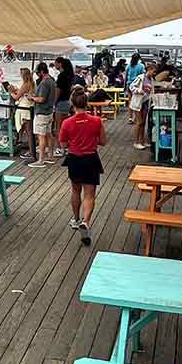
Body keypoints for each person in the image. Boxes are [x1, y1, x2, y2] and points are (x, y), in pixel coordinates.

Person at [59, 87, 107, 246]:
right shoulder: (97, 121)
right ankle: (86, 221)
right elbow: (103, 142)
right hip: (91, 159)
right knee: (89, 195)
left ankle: (76, 219)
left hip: (74, 159)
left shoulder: (67, 123)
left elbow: (63, 144)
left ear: (72, 103)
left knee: (75, 190)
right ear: (86, 103)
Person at [29, 62, 56, 169]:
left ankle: (41, 160)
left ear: (41, 72)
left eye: (37, 72)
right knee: (49, 134)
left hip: (42, 112)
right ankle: (50, 156)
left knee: (41, 136)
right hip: (49, 111)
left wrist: (32, 98)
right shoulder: (52, 81)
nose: (37, 74)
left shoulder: (44, 83)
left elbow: (41, 99)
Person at [8, 68, 36, 161]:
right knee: (29, 131)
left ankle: (31, 152)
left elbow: (16, 97)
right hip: (29, 107)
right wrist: (16, 90)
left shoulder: (25, 84)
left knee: (28, 132)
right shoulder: (32, 83)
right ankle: (30, 150)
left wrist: (11, 92)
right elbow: (23, 94)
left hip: (24, 109)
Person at [129, 62, 156, 149]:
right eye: (153, 71)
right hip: (138, 102)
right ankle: (136, 142)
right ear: (149, 70)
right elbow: (131, 86)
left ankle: (142, 141)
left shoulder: (151, 80)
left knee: (143, 123)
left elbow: (151, 91)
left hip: (146, 102)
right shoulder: (141, 77)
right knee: (139, 122)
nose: (154, 73)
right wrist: (139, 91)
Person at [53, 57, 74, 155]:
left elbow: (58, 91)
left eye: (55, 63)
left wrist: (54, 102)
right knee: (65, 127)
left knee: (58, 127)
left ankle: (59, 148)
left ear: (60, 64)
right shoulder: (69, 75)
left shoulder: (61, 76)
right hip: (67, 102)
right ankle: (65, 147)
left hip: (61, 102)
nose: (54, 65)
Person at [125, 53, 145, 123]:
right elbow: (143, 76)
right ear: (139, 58)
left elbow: (126, 77)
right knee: (137, 102)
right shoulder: (141, 66)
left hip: (129, 85)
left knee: (130, 102)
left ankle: (130, 118)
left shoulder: (128, 66)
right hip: (137, 85)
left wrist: (124, 86)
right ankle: (136, 118)